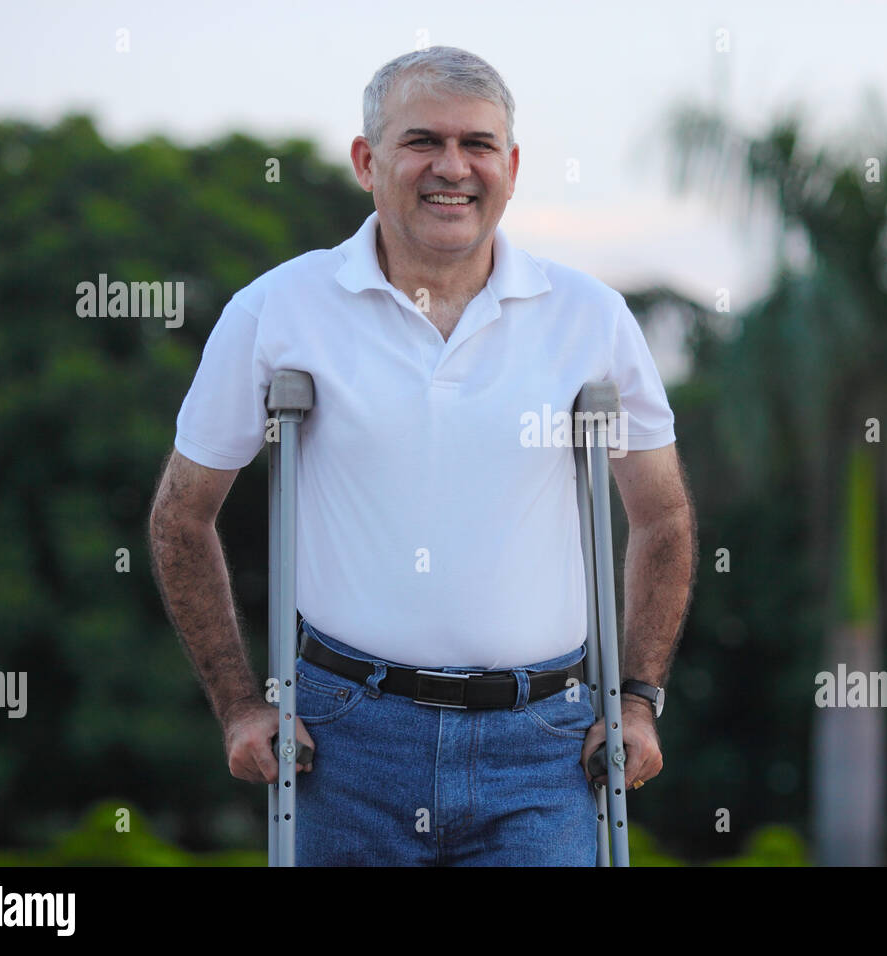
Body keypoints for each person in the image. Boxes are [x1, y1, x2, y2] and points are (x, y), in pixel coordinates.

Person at [148, 46, 696, 865]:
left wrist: (640, 699)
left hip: (543, 745)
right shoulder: (277, 309)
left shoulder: (590, 318)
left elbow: (662, 515)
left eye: (478, 145)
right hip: (343, 740)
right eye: (422, 142)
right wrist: (237, 705)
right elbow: (182, 516)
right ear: (368, 161)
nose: (453, 168)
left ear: (511, 166)